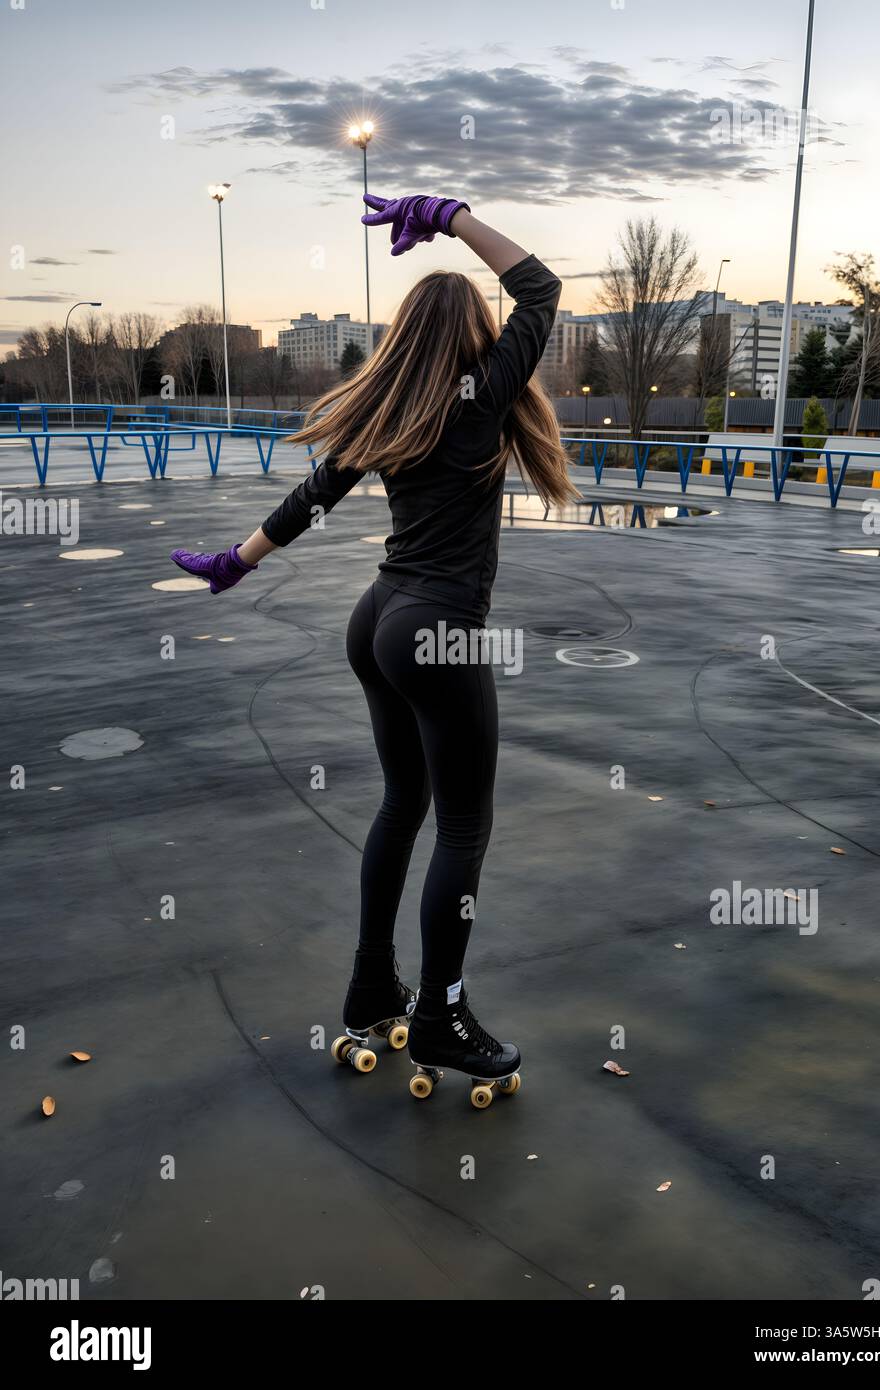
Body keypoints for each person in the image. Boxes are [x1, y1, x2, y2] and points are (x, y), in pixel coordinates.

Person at [171, 194, 580, 1106]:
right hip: (433, 629)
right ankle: (438, 1014)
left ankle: (370, 985)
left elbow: (311, 500)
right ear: (475, 333)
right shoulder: (485, 393)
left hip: (379, 618)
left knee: (404, 804)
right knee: (462, 827)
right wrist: (454, 215)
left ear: (404, 339)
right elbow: (540, 287)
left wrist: (233, 566)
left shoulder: (393, 409)